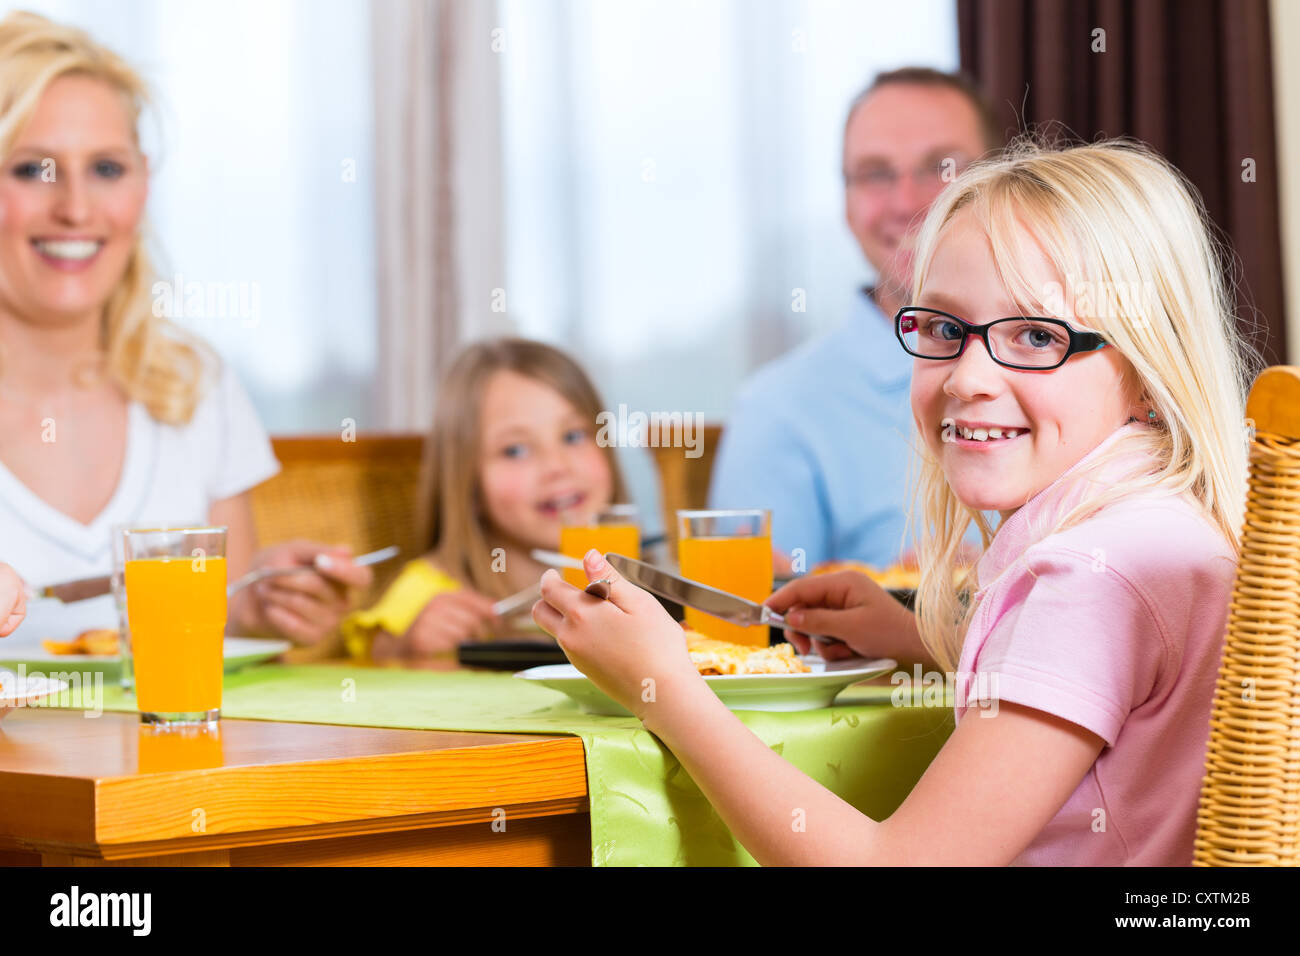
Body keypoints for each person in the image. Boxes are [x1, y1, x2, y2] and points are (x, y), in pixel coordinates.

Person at [533, 139, 1255, 865]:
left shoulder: (1089, 578)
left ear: (1147, 372)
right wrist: (920, 640)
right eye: (944, 329)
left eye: (1036, 334)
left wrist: (666, 689)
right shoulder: (1160, 529)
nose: (968, 375)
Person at [0, 12, 371, 650]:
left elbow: (220, 624)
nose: (77, 209)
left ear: (143, 182)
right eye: (33, 169)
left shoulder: (195, 385)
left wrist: (259, 605)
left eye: (107, 169)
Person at [709, 67, 1001, 571]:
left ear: (1004, 181)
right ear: (846, 203)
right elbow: (745, 626)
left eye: (942, 166)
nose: (908, 203)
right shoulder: (776, 408)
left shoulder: (1094, 363)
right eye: (876, 173)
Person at [342, 338, 632, 659]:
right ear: (468, 485)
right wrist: (406, 645)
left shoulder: (639, 581)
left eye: (573, 436)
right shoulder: (429, 588)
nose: (557, 467)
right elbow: (371, 660)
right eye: (515, 450)